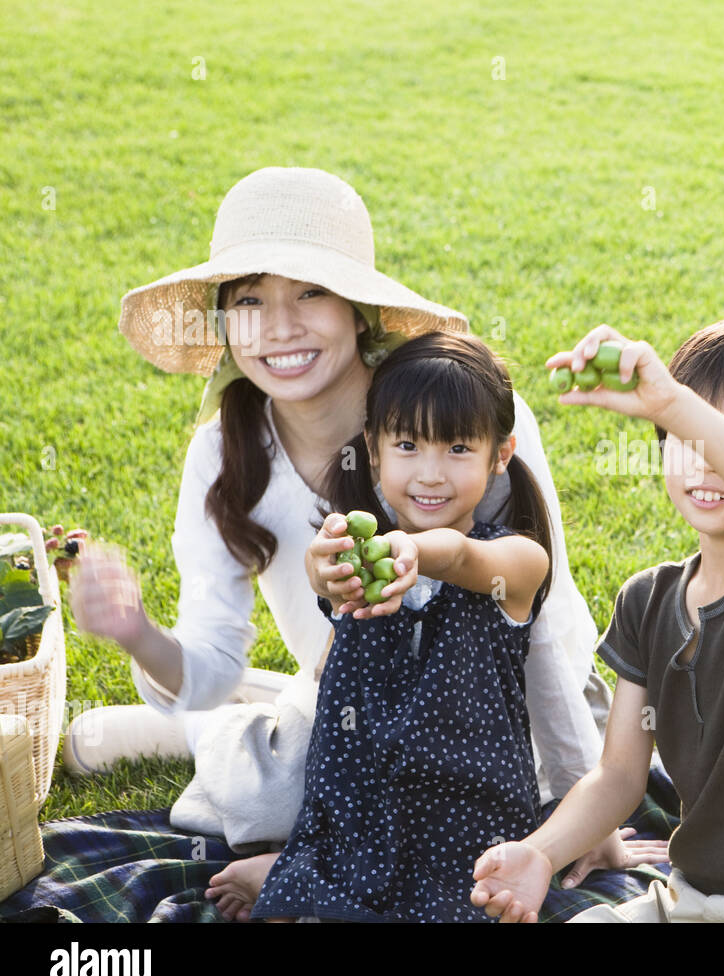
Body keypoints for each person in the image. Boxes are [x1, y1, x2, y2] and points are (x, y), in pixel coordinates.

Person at [65, 167, 636, 921]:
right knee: (273, 794)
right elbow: (206, 662)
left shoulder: (459, 409)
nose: (279, 328)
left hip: (496, 702)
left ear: (358, 310)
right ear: (224, 323)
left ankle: (238, 724)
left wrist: (571, 805)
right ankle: (205, 731)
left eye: (309, 293)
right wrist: (136, 634)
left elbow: (541, 618)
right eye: (249, 301)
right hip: (353, 702)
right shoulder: (224, 454)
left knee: (474, 814)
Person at [470, 315, 724, 923]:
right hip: (690, 895)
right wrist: (539, 853)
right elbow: (618, 775)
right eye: (684, 437)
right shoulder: (648, 600)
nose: (702, 462)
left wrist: (671, 401)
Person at [252, 333, 549, 922]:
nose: (431, 474)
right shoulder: (359, 559)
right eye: (408, 444)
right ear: (375, 448)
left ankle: (275, 871)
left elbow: (462, 559)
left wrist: (413, 552)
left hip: (468, 831)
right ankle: (281, 869)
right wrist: (322, 569)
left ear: (501, 453)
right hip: (355, 820)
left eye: (459, 448)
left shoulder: (516, 561)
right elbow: (322, 578)